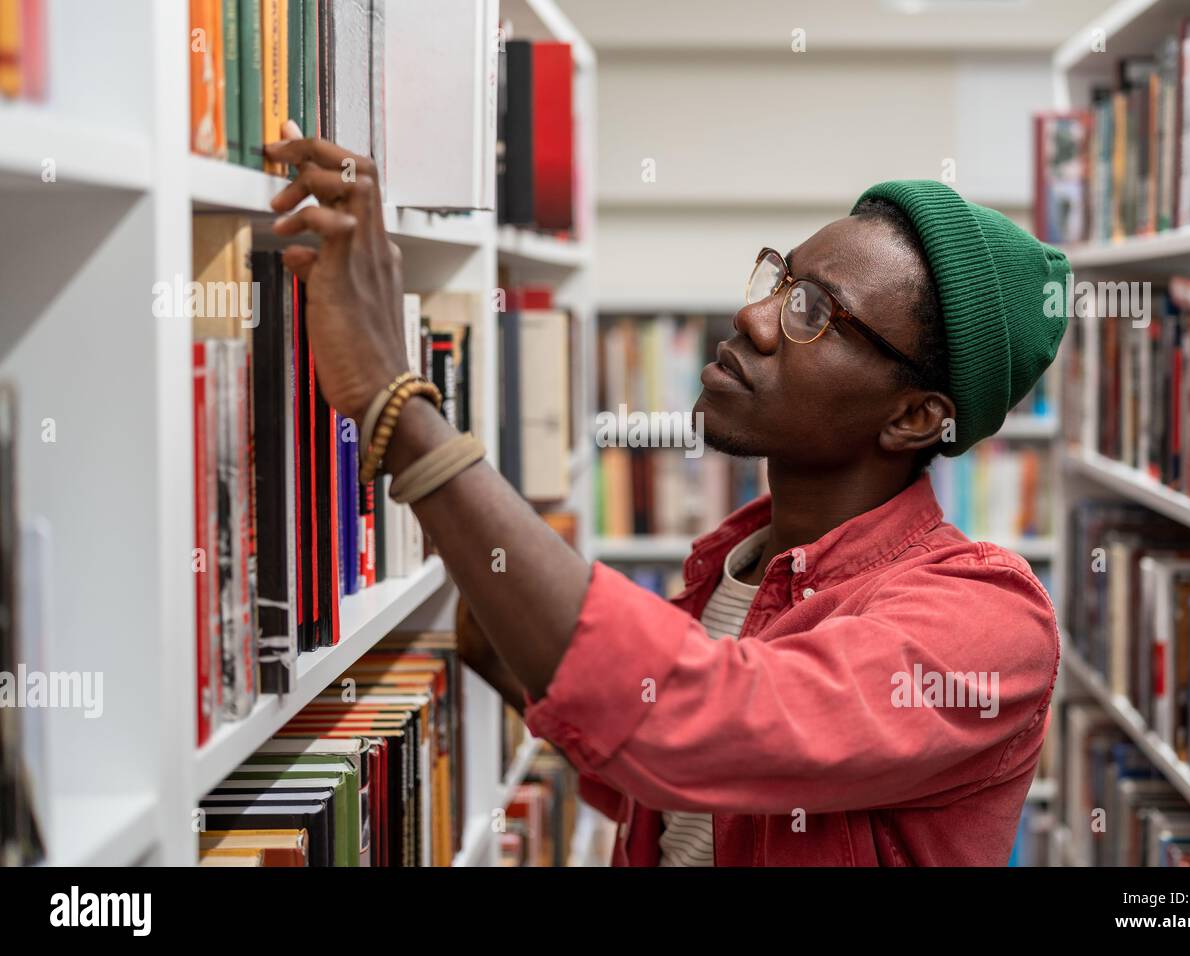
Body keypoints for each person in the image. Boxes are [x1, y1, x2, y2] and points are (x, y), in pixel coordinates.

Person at [263, 123, 1070, 867]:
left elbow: (708, 730)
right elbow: (666, 796)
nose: (752, 316)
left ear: (914, 417)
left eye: (813, 313)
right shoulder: (734, 572)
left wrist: (394, 405)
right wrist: (501, 644)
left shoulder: (988, 622)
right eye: (779, 278)